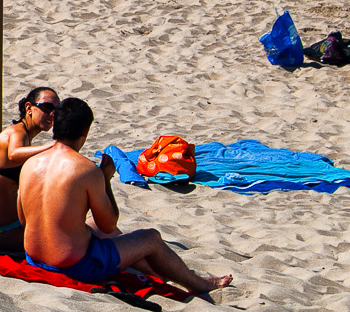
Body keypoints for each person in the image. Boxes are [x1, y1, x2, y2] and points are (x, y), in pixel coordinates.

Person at [19, 98, 232, 297]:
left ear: (55, 126)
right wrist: (105, 179)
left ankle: (157, 272)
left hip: (34, 258)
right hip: (74, 266)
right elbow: (109, 224)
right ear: (85, 130)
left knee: (91, 224)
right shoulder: (85, 170)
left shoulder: (30, 163)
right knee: (151, 238)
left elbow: (23, 218)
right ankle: (198, 284)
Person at [0, 87, 58, 248]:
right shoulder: (17, 133)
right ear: (29, 108)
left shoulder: (24, 135)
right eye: (47, 108)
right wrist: (53, 146)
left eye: (57, 110)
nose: (52, 114)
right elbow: (14, 154)